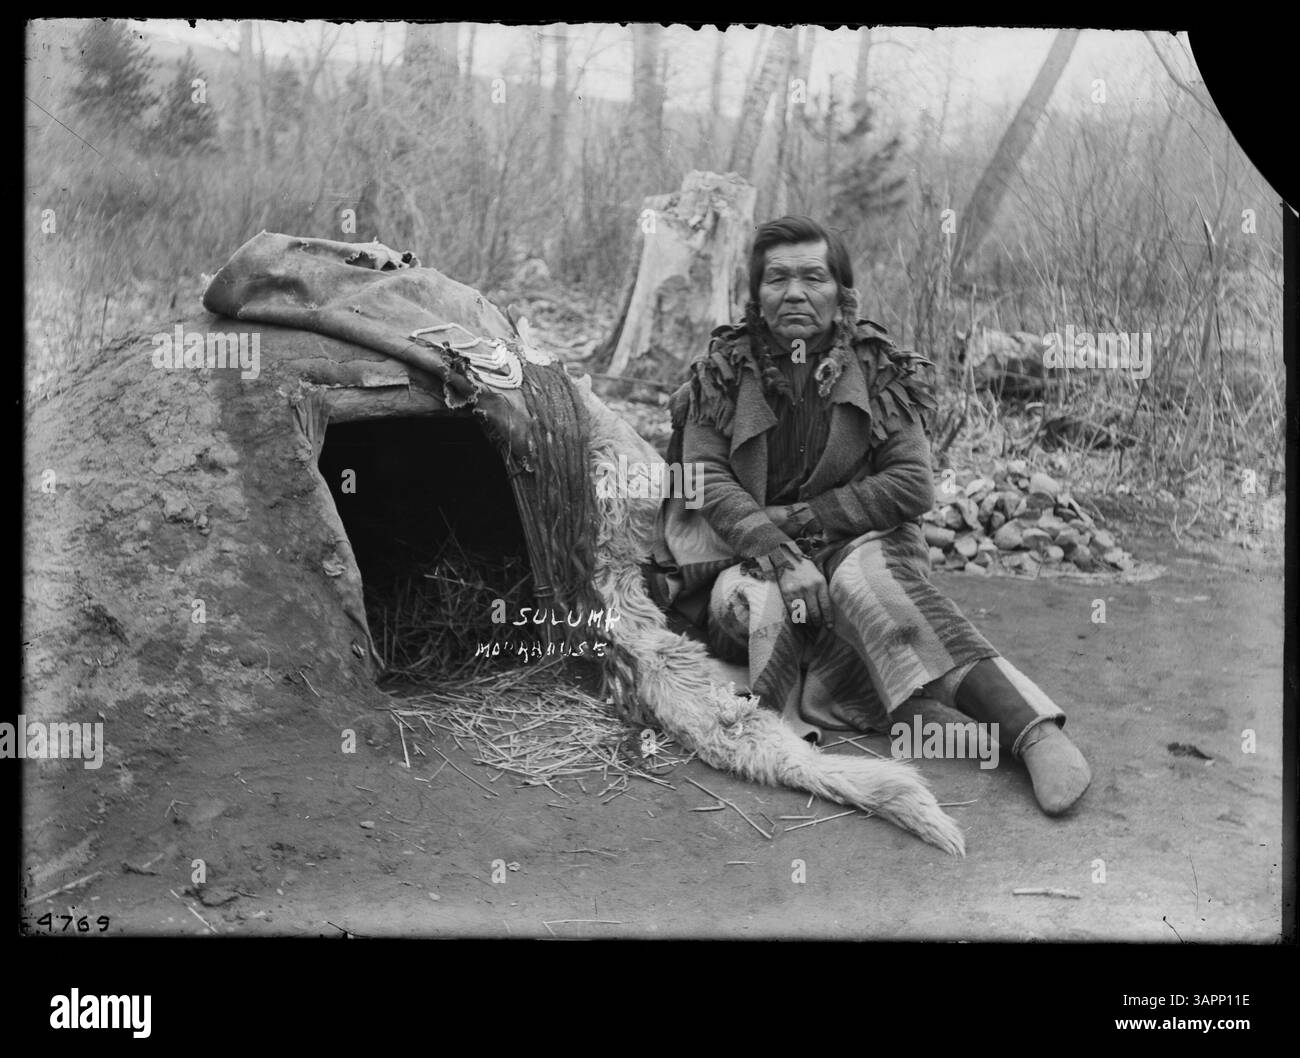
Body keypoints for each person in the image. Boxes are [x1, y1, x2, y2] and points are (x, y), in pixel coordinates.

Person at [652, 215, 1091, 816]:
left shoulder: (880, 370)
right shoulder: (720, 374)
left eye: (814, 276)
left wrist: (802, 520)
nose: (796, 293)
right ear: (756, 296)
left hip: (861, 545)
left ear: (842, 293)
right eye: (777, 279)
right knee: (764, 606)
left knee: (868, 586)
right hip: (745, 555)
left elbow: (911, 484)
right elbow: (706, 480)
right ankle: (811, 729)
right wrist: (781, 555)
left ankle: (1031, 730)